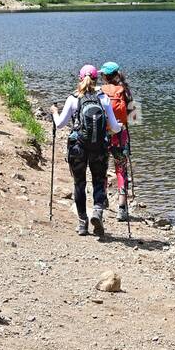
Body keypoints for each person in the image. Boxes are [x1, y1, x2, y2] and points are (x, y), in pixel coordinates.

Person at [51, 65, 122, 237]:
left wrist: (54, 112)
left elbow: (60, 124)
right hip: (99, 148)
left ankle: (82, 223)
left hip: (78, 147)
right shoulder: (103, 98)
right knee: (98, 181)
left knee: (79, 184)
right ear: (97, 79)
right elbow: (114, 127)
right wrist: (119, 127)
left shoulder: (73, 98)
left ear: (79, 78)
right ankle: (97, 212)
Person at [99, 61, 135, 220]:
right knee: (121, 170)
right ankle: (122, 207)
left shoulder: (100, 91)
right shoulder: (126, 91)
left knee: (102, 167)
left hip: (102, 136)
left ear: (105, 76)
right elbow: (135, 117)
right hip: (120, 137)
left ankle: (104, 198)